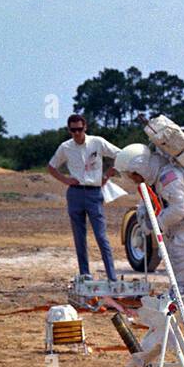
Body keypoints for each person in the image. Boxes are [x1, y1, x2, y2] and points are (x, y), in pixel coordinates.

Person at [114, 142, 184, 296]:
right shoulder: (156, 176)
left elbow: (178, 209)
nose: (134, 179)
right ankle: (179, 287)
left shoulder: (169, 178)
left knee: (180, 249)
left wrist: (156, 224)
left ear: (141, 168)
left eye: (133, 175)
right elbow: (149, 200)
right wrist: (144, 215)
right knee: (171, 249)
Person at [48, 114, 120, 281]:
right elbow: (51, 167)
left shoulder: (97, 142)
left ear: (85, 127)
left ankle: (112, 277)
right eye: (73, 130)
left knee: (101, 237)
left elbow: (120, 154)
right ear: (69, 130)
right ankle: (85, 276)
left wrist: (108, 174)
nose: (77, 133)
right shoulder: (65, 147)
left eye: (79, 129)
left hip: (94, 193)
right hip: (75, 193)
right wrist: (65, 180)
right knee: (79, 238)